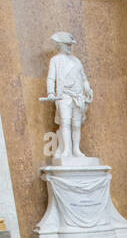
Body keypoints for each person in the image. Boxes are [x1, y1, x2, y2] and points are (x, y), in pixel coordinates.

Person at [40, 31, 93, 161]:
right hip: (64, 96)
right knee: (65, 122)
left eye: (70, 45)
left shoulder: (77, 61)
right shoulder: (55, 60)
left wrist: (87, 88)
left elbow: (83, 77)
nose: (69, 47)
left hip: (78, 96)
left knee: (76, 124)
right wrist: (51, 92)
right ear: (60, 45)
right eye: (67, 45)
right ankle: (66, 150)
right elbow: (51, 78)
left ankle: (76, 149)